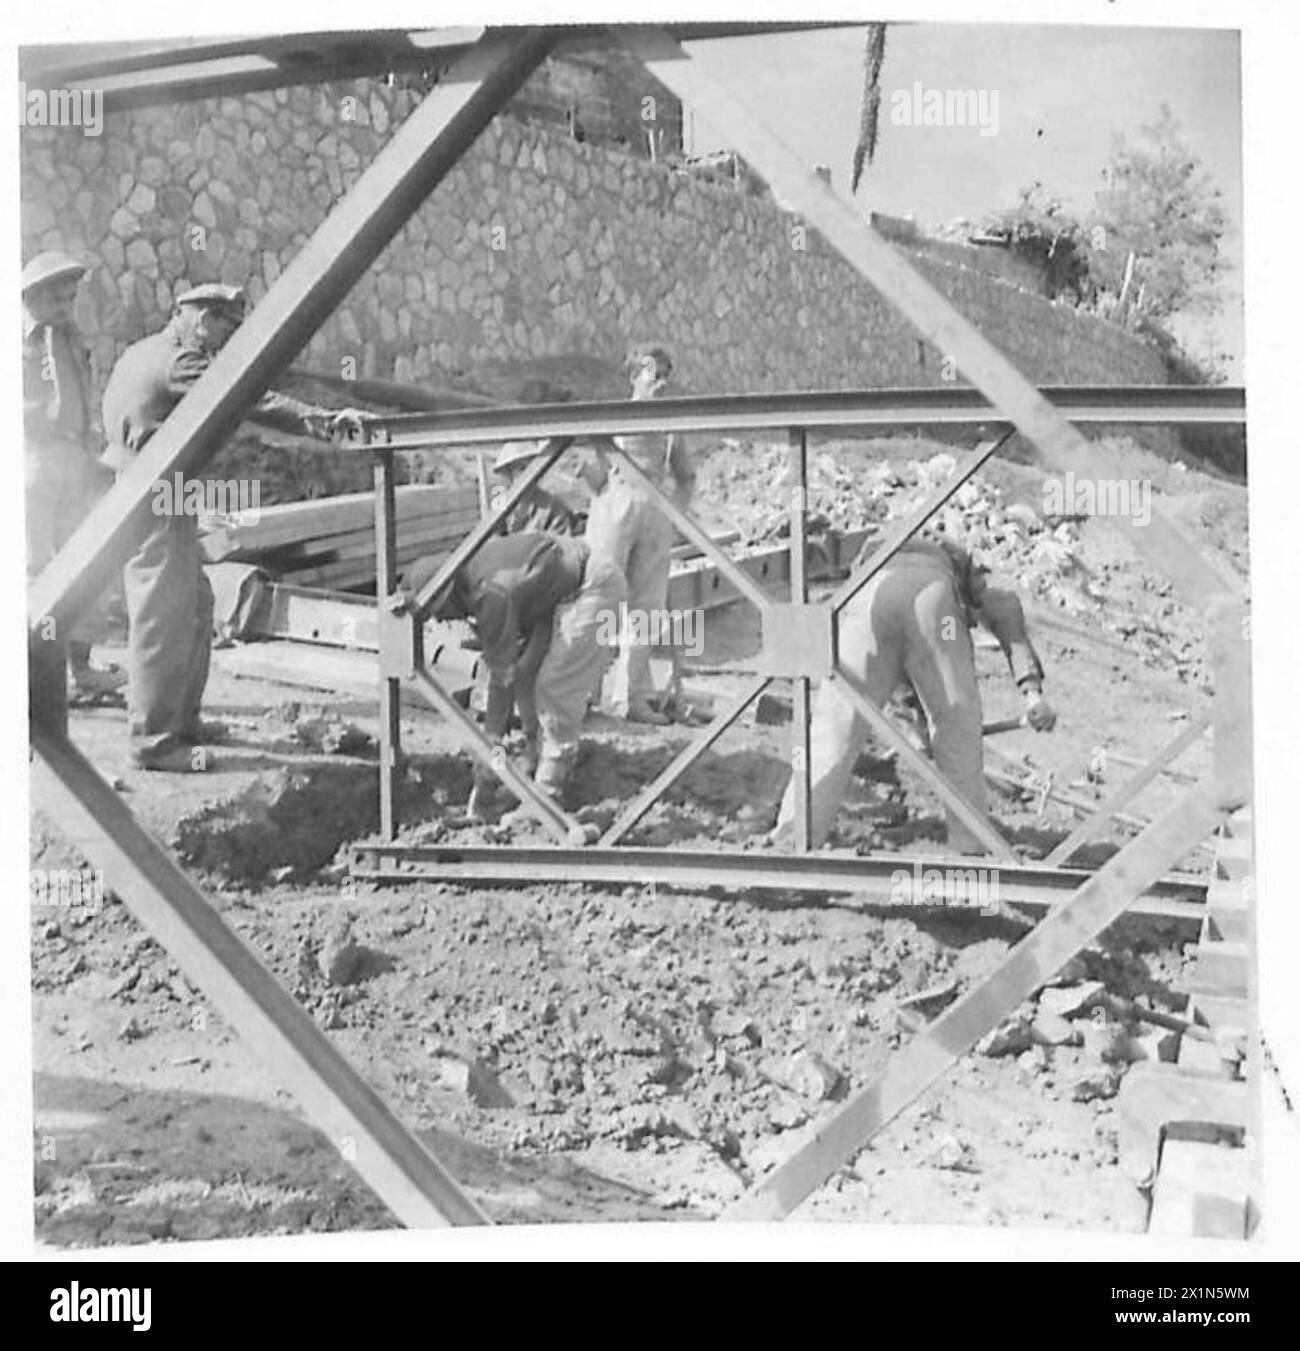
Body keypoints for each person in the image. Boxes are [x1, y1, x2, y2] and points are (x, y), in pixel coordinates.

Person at [100, 283, 365, 771]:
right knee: (163, 616)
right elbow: (249, 399)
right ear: (202, 319)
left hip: (152, 489)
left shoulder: (140, 352)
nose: (227, 338)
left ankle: (183, 723)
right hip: (155, 495)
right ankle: (153, 743)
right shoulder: (182, 363)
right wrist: (324, 421)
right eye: (226, 326)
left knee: (196, 605)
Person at [772, 536, 1056, 853]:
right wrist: (1033, 695)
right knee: (957, 724)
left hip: (869, 597)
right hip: (936, 608)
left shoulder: (872, 555)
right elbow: (1003, 610)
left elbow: (897, 668)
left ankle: (794, 836)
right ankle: (970, 846)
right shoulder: (963, 571)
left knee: (834, 726)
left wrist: (917, 730)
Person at [407, 530, 625, 811]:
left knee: (555, 687)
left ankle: (548, 793)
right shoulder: (474, 571)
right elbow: (510, 667)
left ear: (449, 596)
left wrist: (491, 744)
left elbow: (501, 677)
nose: (441, 619)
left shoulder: (490, 594)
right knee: (526, 673)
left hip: (595, 587)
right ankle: (533, 757)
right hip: (555, 591)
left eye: (439, 611)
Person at [23, 251, 128, 723]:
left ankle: (81, 672)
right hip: (33, 458)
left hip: (77, 456)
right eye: (56, 297)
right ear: (32, 297)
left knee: (86, 564)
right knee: (35, 567)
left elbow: (82, 395)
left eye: (70, 295)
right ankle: (30, 682)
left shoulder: (70, 337)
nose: (66, 304)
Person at [585, 342, 695, 725]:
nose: (661, 382)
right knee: (601, 597)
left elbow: (686, 476)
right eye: (653, 373)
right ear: (634, 376)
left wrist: (674, 516)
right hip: (617, 503)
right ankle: (588, 690)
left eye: (666, 375)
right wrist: (605, 499)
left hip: (655, 508)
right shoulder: (614, 418)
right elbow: (591, 466)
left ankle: (628, 697)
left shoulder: (670, 428)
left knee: (646, 609)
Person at [490, 440, 585, 536]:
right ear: (509, 472)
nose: (527, 474)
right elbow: (491, 539)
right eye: (521, 468)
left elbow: (559, 543)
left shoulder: (553, 506)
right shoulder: (499, 498)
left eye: (531, 468)